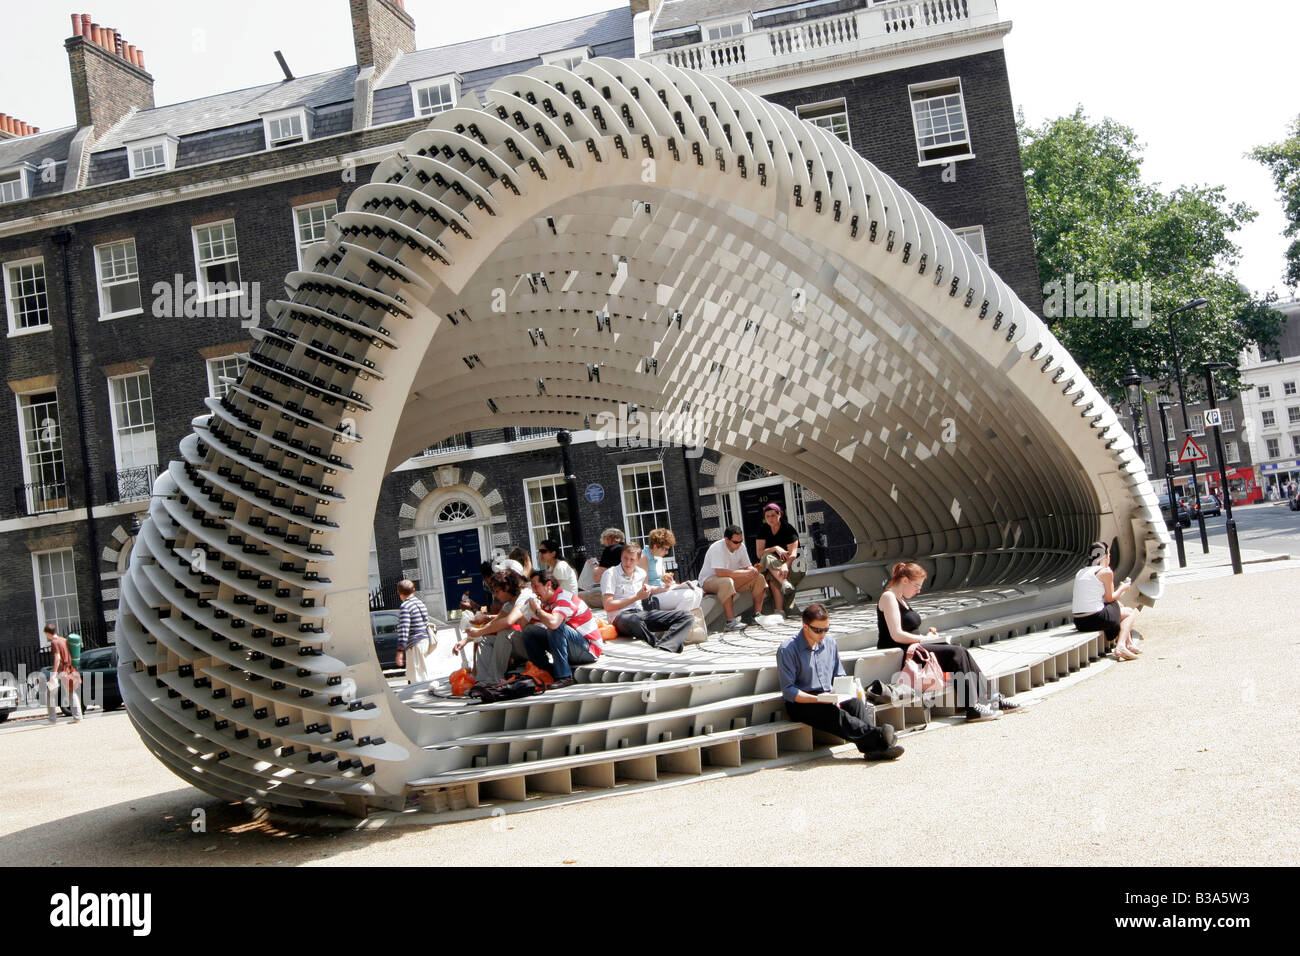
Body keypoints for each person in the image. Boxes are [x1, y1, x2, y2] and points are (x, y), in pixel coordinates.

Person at [876, 562, 1016, 721]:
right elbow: (896, 635)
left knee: (961, 652)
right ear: (905, 580)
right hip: (903, 652)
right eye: (916, 586)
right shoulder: (888, 597)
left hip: (914, 648)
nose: (918, 590)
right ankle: (973, 707)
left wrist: (928, 636)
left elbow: (907, 630)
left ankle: (991, 697)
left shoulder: (900, 599)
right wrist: (925, 639)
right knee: (955, 653)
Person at [778, 605, 903, 760]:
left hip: (829, 695)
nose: (822, 634)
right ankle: (880, 736)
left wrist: (842, 692)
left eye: (826, 629)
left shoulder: (830, 643)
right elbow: (789, 690)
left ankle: (875, 748)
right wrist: (817, 699)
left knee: (855, 704)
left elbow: (839, 674)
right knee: (833, 713)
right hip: (802, 702)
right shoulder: (788, 649)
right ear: (805, 626)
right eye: (818, 630)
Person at [602, 542, 694, 653]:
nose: (627, 562)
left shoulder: (641, 573)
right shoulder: (611, 574)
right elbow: (608, 606)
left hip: (640, 614)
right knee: (634, 620)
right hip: (619, 617)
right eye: (625, 558)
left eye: (632, 560)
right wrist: (636, 597)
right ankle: (657, 645)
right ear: (621, 556)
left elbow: (648, 588)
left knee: (686, 616)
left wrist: (667, 588)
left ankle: (665, 646)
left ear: (638, 560)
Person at [521, 569, 603, 687]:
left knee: (555, 626)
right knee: (529, 632)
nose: (534, 590)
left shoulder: (564, 598)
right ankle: (544, 672)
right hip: (573, 646)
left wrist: (537, 610)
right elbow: (522, 625)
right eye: (532, 587)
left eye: (535, 586)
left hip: (589, 649)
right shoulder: (544, 603)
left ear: (548, 585)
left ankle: (564, 676)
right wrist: (528, 608)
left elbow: (554, 623)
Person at [455, 569, 535, 682]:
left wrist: (479, 632)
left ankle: (494, 679)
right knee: (485, 638)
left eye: (497, 591)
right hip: (524, 644)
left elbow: (508, 621)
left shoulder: (524, 596)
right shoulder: (509, 604)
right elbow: (494, 622)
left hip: (535, 646)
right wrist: (466, 639)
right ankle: (482, 680)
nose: (495, 595)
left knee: (505, 633)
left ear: (507, 588)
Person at [1072, 541, 1141, 661]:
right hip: (1095, 618)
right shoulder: (1106, 572)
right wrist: (1122, 588)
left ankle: (1128, 643)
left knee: (1117, 605)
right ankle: (1121, 646)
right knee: (1130, 612)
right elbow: (1109, 598)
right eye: (1109, 555)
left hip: (1079, 622)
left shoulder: (1080, 572)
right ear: (1105, 556)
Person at [698, 525, 767, 631]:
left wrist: (752, 570)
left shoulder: (741, 546)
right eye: (736, 542)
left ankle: (757, 615)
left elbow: (747, 566)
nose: (739, 544)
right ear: (727, 539)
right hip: (709, 580)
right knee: (727, 581)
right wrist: (745, 573)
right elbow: (720, 573)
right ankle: (730, 622)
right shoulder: (717, 548)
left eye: (741, 541)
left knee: (759, 578)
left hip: (729, 578)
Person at [754, 502, 802, 618]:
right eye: (767, 516)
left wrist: (785, 565)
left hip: (793, 565)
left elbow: (793, 553)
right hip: (773, 565)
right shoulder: (763, 530)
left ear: (779, 514)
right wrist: (775, 548)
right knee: (766, 557)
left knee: (771, 578)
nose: (770, 518)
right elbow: (760, 554)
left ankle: (779, 610)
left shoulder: (788, 529)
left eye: (773, 515)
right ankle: (784, 584)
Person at [637, 528, 703, 612]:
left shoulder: (658, 556)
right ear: (655, 546)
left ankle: (685, 620)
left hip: (662, 591)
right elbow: (644, 588)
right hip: (652, 598)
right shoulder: (643, 557)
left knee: (698, 592)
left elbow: (662, 579)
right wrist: (664, 589)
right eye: (665, 549)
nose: (667, 552)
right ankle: (676, 620)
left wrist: (668, 581)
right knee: (688, 596)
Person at [393, 580, 437, 685]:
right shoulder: (420, 603)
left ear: (399, 592)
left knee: (417, 678)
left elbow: (404, 629)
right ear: (414, 589)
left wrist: (400, 651)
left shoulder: (405, 606)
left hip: (415, 643)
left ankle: (422, 696)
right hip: (425, 640)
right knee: (422, 673)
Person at [44, 624, 82, 724]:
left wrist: (54, 674)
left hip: (61, 671)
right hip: (69, 669)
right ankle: (77, 717)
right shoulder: (64, 640)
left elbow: (58, 658)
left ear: (48, 633)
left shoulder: (54, 642)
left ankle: (52, 720)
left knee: (50, 693)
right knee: (71, 693)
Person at [577, 528, 626, 605]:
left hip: (614, 598)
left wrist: (594, 564)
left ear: (609, 538)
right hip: (629, 595)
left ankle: (582, 588)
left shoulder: (610, 550)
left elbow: (597, 578)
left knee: (577, 596)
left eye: (604, 541)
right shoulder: (629, 549)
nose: (604, 544)